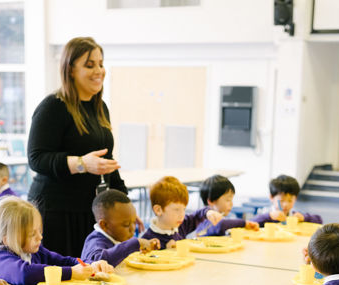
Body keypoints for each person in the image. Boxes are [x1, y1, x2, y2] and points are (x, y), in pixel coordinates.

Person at [27, 36, 129, 257]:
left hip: (89, 209)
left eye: (101, 64)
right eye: (89, 65)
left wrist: (125, 205)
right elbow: (36, 158)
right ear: (70, 69)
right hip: (57, 212)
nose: (99, 71)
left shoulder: (100, 107)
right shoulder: (53, 106)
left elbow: (107, 163)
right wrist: (82, 164)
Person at [81, 189, 160, 266]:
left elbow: (122, 250)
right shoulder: (95, 242)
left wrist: (144, 246)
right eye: (126, 224)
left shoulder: (117, 236)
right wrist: (136, 243)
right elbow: (98, 262)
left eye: (134, 222)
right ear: (104, 225)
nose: (132, 228)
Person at [141, 176, 222, 248]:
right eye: (176, 210)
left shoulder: (180, 225)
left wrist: (208, 213)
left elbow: (197, 215)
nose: (182, 215)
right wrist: (166, 251)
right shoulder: (147, 240)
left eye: (184, 209)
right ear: (158, 210)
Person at [194, 174, 259, 236]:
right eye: (228, 200)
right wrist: (244, 223)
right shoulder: (204, 219)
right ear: (211, 201)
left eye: (231, 200)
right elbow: (221, 225)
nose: (231, 204)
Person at [252, 174, 323, 226]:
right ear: (272, 198)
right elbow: (250, 223)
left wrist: (304, 217)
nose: (286, 204)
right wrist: (269, 216)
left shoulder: (293, 214)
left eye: (290, 200)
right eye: (282, 200)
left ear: (295, 199)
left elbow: (319, 220)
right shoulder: (265, 213)